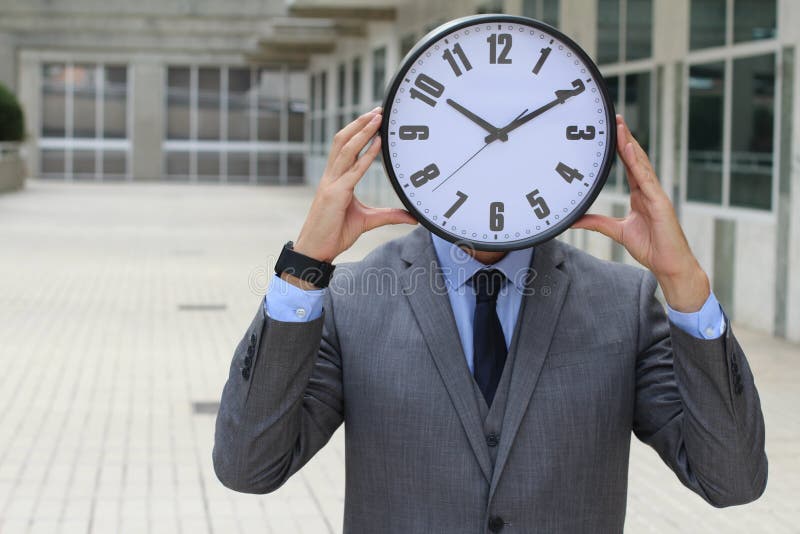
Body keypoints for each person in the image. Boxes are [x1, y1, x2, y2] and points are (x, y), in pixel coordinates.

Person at [213, 108, 767, 533]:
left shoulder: (625, 302)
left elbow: (731, 480)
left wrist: (686, 287)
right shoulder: (352, 301)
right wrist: (304, 268)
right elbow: (248, 466)